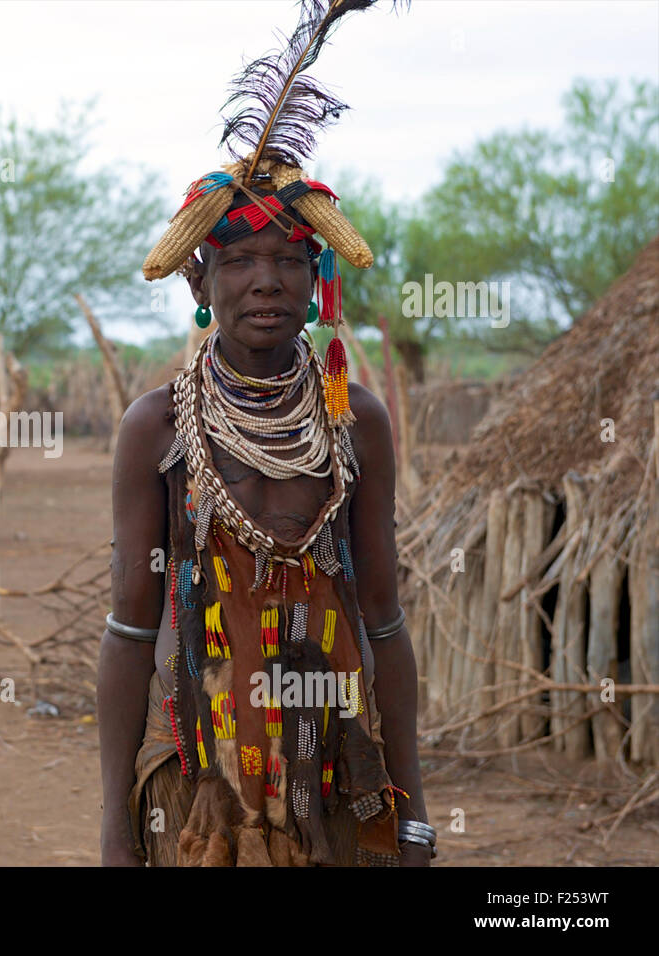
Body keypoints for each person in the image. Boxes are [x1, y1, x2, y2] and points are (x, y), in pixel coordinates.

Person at [98, 0, 432, 866]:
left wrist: (417, 808)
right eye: (241, 260)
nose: (267, 281)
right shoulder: (157, 428)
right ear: (200, 277)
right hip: (202, 774)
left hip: (339, 769)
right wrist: (113, 829)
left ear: (316, 277)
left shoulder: (356, 420)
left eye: (289, 257)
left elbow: (384, 618)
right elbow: (131, 631)